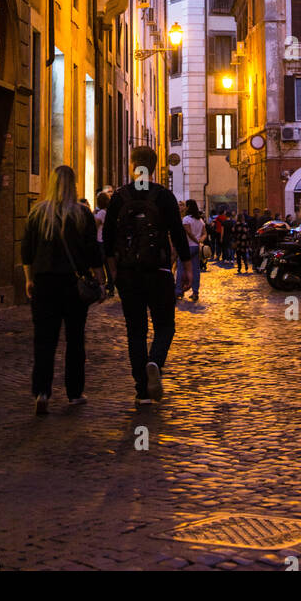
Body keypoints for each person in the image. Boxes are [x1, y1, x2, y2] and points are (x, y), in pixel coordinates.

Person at [102, 145, 192, 406]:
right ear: (153, 167)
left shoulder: (119, 197)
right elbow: (177, 232)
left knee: (136, 330)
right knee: (165, 325)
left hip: (129, 273)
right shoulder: (164, 196)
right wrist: (186, 267)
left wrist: (113, 270)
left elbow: (108, 238)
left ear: (132, 165)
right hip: (159, 271)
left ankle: (141, 390)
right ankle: (155, 361)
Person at [21, 165, 104, 415]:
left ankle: (42, 391)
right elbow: (92, 252)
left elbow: (27, 251)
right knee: (75, 339)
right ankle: (75, 392)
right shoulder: (82, 214)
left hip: (44, 283)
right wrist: (99, 278)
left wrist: (28, 279)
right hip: (72, 285)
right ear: (74, 185)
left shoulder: (37, 214)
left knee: (44, 340)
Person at [177, 198, 207, 302]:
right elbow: (204, 233)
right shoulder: (200, 220)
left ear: (188, 207)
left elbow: (188, 232)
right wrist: (199, 241)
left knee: (181, 268)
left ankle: (179, 291)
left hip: (187, 246)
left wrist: (195, 240)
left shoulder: (186, 219)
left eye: (185, 206)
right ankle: (195, 292)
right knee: (195, 270)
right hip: (196, 248)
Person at [94, 189, 115, 296]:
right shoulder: (109, 213)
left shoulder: (101, 213)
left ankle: (101, 284)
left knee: (99, 264)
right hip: (107, 241)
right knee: (108, 265)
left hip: (100, 241)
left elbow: (95, 225)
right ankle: (111, 286)